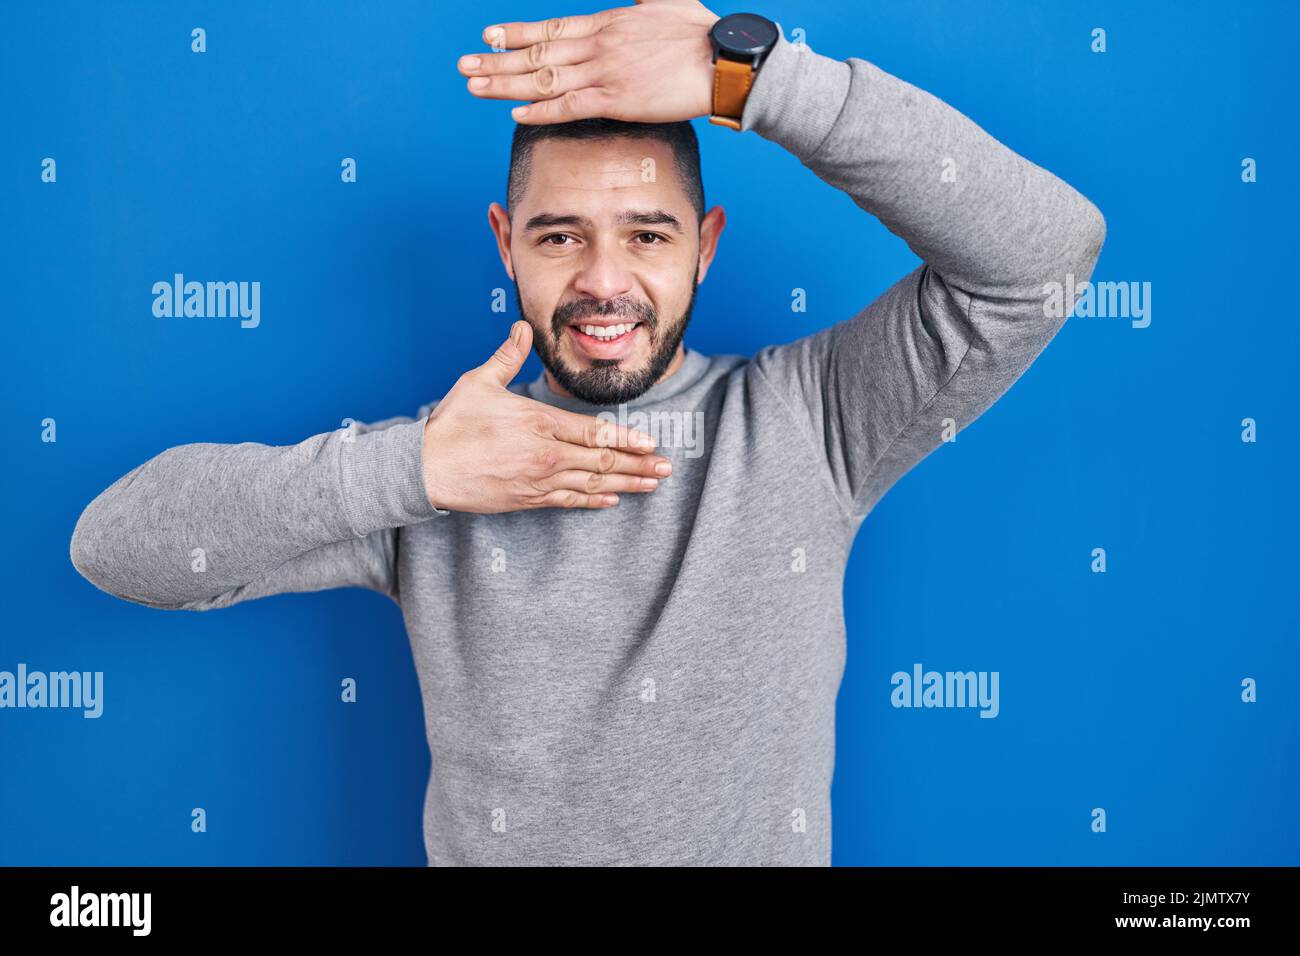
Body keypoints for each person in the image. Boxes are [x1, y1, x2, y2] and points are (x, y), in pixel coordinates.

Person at [70, 1, 1105, 865]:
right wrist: (413, 466)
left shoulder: (813, 421)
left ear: (704, 249)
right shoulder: (432, 470)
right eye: (560, 235)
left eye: (646, 235)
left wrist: (757, 81)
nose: (604, 282)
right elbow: (115, 546)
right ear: (504, 245)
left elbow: (1043, 254)